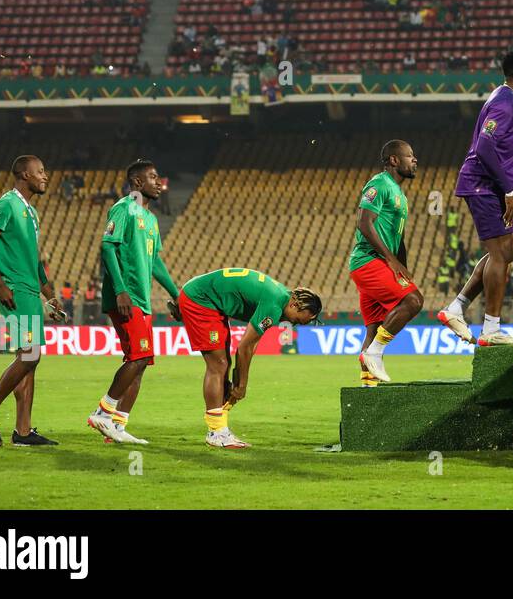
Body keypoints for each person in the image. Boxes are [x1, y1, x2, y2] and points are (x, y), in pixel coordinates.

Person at [442, 48, 513, 346]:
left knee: (508, 251)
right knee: (500, 254)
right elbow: (485, 146)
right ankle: (490, 329)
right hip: (482, 185)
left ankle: (456, 308)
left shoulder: (509, 99)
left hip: (492, 186)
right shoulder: (505, 104)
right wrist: (508, 190)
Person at [0, 156, 65, 447]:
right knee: (30, 354)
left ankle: (23, 432)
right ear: (25, 174)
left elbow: (34, 261)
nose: (45, 176)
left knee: (30, 360)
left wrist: (50, 294)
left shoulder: (31, 212)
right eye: (40, 172)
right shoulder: (7, 204)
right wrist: (0, 284)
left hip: (30, 291)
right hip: (14, 289)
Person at [87, 160, 183, 444]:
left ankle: (117, 426)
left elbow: (155, 263)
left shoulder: (151, 220)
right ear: (138, 183)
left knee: (140, 362)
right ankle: (103, 413)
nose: (159, 182)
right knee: (138, 357)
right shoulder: (124, 207)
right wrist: (120, 290)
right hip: (126, 298)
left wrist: (177, 295)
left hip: (142, 299)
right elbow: (107, 246)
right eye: (153, 177)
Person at [177, 268, 321, 448]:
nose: (293, 324)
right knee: (219, 365)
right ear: (294, 305)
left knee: (224, 364)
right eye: (298, 320)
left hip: (209, 299)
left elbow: (251, 345)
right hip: (201, 300)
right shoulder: (274, 305)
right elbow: (244, 347)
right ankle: (216, 432)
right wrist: (242, 384)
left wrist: (238, 379)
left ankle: (219, 429)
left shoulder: (280, 297)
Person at [349, 141, 422, 384]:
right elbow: (364, 222)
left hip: (376, 263)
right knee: (413, 301)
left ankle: (367, 391)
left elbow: (397, 238)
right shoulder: (379, 184)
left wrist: (403, 265)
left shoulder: (399, 193)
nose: (414, 160)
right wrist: (391, 261)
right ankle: (374, 353)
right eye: (409, 156)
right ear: (393, 160)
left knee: (376, 325)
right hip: (369, 262)